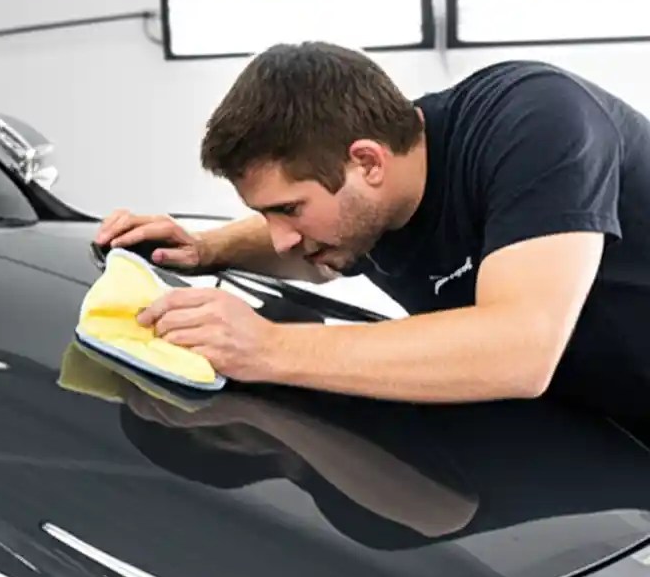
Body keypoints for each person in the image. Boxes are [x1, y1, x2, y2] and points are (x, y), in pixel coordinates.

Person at [93, 41, 650, 440]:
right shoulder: (371, 208)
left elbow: (520, 350)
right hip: (610, 434)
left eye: (289, 208)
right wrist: (207, 249)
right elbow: (310, 252)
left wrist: (266, 348)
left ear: (367, 161)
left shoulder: (535, 121)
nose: (282, 239)